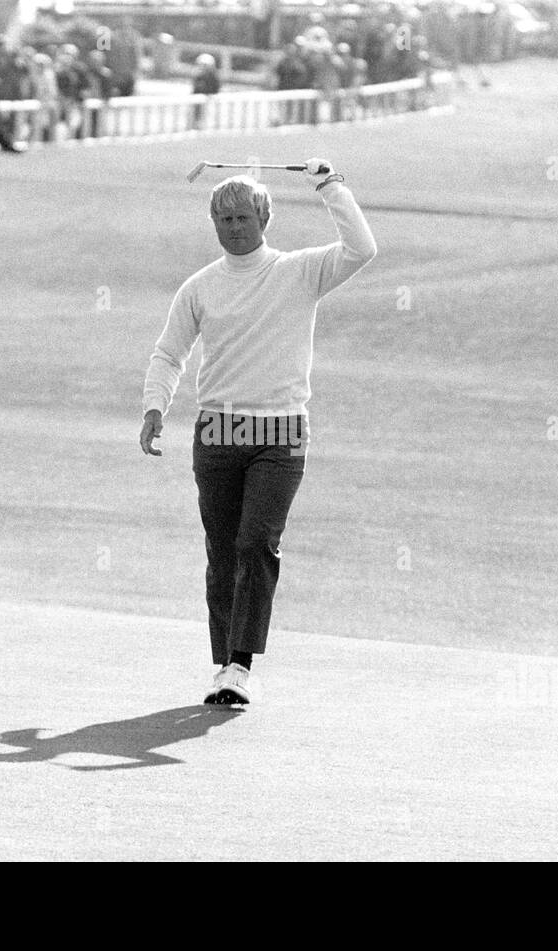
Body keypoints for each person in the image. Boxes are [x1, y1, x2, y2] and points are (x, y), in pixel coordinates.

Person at [139, 160, 377, 705]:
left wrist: (332, 186)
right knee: (222, 552)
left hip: (281, 433)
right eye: (222, 218)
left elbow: (362, 250)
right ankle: (224, 664)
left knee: (256, 543)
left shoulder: (299, 271)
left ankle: (241, 666)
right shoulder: (199, 287)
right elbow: (169, 352)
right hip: (217, 434)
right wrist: (156, 406)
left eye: (242, 216)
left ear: (265, 217)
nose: (232, 227)